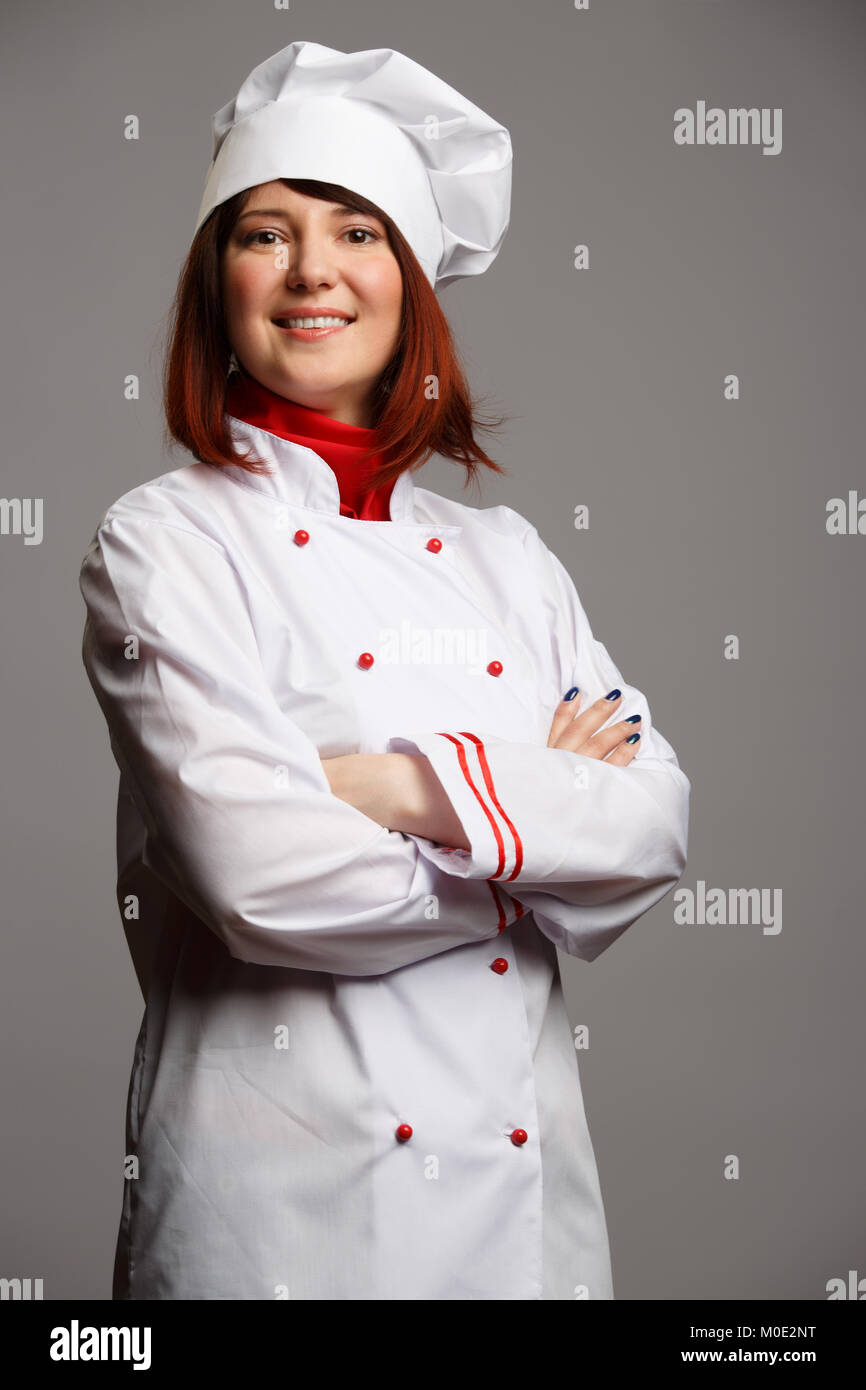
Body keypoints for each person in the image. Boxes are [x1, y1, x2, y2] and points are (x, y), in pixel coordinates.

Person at [78, 39, 690, 1301]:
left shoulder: (506, 560)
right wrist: (526, 837)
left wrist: (399, 789)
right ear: (217, 284)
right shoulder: (163, 539)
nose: (313, 271)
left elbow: (649, 824)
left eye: (357, 232)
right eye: (265, 233)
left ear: (410, 284)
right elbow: (259, 880)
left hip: (521, 1227)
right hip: (275, 1219)